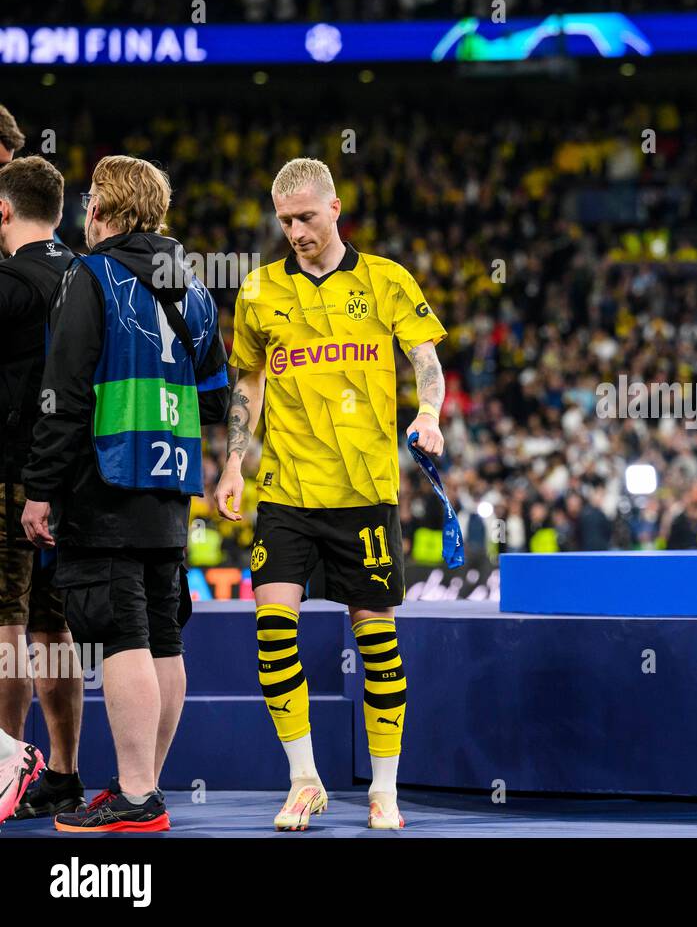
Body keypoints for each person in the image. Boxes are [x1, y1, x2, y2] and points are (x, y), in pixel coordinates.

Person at [214, 157, 448, 831]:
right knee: (272, 631)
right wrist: (234, 462)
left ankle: (383, 789)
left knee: (376, 642)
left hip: (364, 493)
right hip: (286, 491)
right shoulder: (258, 292)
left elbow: (426, 363)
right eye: (285, 220)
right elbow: (249, 385)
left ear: (335, 208)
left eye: (306, 217)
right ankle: (305, 780)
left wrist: (428, 416)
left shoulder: (385, 281)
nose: (295, 231)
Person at [21, 155, 229, 832]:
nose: (84, 218)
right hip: (172, 483)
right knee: (163, 638)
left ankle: (136, 796)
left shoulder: (92, 275)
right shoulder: (192, 284)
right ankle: (146, 787)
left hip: (104, 479)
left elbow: (65, 393)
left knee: (120, 637)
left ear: (105, 212)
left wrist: (40, 488)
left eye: (89, 206)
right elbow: (216, 395)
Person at [0, 156, 84, 821]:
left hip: (11, 471)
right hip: (74, 479)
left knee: (6, 620)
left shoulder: (9, 281)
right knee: (55, 626)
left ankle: (7, 763)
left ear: (4, 211)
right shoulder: (86, 275)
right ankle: (62, 773)